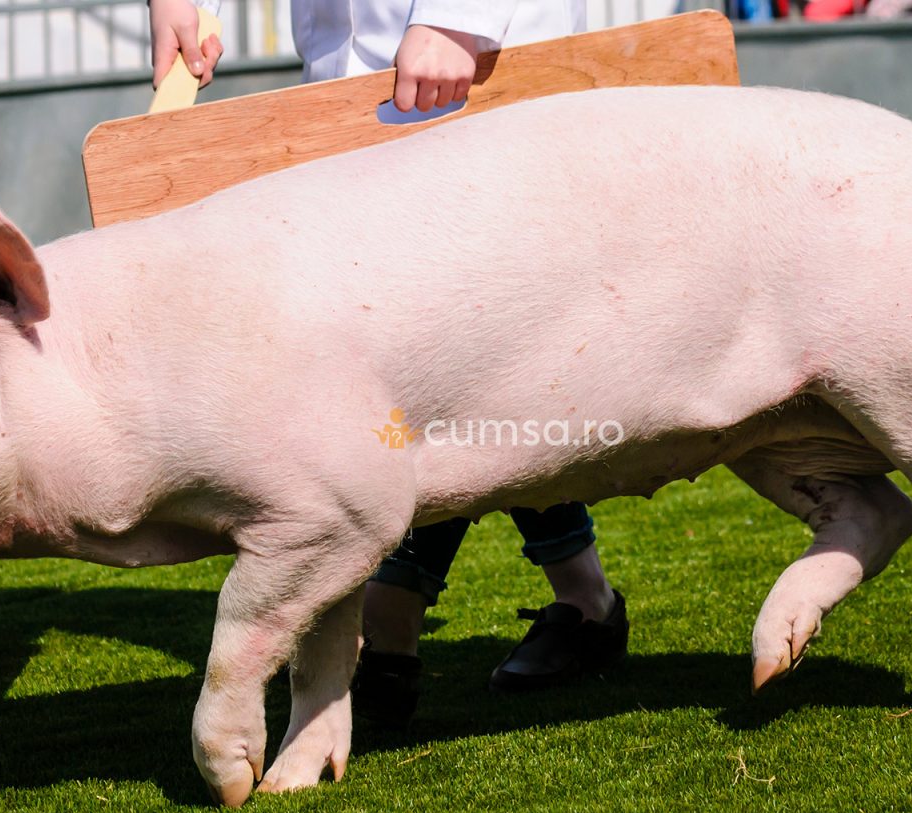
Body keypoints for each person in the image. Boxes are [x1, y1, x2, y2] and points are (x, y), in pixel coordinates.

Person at [146, 0, 629, 727]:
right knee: (426, 366)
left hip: (477, 79)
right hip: (352, 99)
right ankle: (581, 598)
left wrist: (458, 17)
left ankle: (393, 621)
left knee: (433, 360)